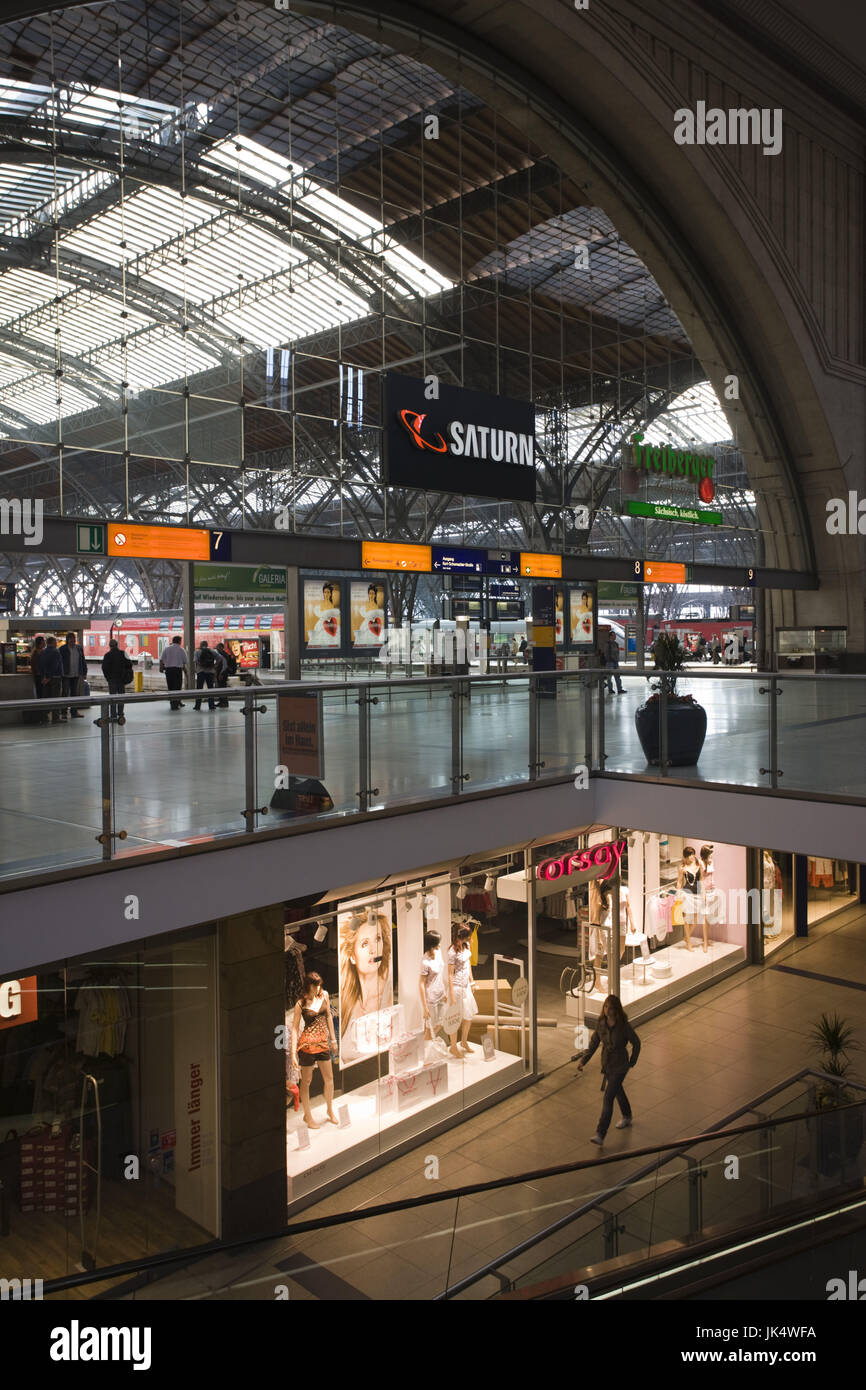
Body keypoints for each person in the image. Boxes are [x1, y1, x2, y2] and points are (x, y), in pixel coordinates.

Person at [576, 994, 641, 1145]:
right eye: (605, 1007)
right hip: (607, 1064)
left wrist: (632, 1061)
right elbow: (593, 1043)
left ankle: (600, 1133)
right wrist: (583, 1061)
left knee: (608, 1097)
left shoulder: (623, 1026)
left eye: (610, 1008)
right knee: (617, 1090)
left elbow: (636, 1043)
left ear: (616, 1009)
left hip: (620, 1065)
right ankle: (627, 1115)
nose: (607, 1010)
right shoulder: (601, 1024)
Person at [290, 972, 339, 1129]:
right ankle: (308, 1115)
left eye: (319, 985)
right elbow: (294, 1028)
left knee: (329, 1079)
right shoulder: (301, 1003)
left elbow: (329, 1016)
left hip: (323, 1043)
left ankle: (330, 1109)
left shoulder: (324, 995)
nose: (318, 988)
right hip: (307, 1046)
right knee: (306, 1081)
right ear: (309, 986)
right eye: (315, 985)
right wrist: (293, 1053)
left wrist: (333, 1039)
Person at [447, 923, 478, 1058]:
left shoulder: (467, 946)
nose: (470, 938)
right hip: (457, 987)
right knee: (455, 1018)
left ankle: (464, 1041)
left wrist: (472, 981)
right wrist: (451, 994)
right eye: (467, 936)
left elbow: (468, 965)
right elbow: (450, 974)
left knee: (468, 1015)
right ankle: (453, 1046)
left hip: (466, 986)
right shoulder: (452, 952)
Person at [419, 929, 450, 1052]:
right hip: (431, 998)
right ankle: (425, 1053)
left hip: (440, 993)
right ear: (431, 944)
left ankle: (428, 1048)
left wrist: (444, 991)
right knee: (429, 1028)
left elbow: (440, 974)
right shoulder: (425, 961)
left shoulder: (438, 952)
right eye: (437, 942)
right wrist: (425, 1007)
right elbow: (421, 984)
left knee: (440, 1023)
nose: (440, 944)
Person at [101, 638, 132, 721]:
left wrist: (108, 678)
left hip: (112, 680)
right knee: (121, 697)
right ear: (117, 645)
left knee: (113, 698)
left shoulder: (107, 655)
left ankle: (113, 715)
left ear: (110, 646)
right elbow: (129, 664)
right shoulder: (123, 653)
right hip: (121, 679)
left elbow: (104, 668)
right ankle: (121, 714)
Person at [59, 630, 87, 718]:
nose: (73, 641)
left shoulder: (79, 648)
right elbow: (59, 662)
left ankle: (74, 712)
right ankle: (64, 713)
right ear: (67, 640)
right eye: (71, 639)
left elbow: (83, 660)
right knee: (65, 693)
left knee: (74, 693)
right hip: (66, 674)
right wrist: (60, 672)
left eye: (74, 639)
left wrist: (84, 672)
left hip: (76, 674)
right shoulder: (62, 649)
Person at [36, 636, 64, 722]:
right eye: (55, 642)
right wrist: (49, 677)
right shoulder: (56, 652)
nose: (56, 643)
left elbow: (40, 665)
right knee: (55, 698)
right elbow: (55, 666)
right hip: (55, 678)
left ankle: (44, 717)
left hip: (45, 679)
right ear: (53, 642)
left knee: (46, 699)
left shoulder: (43, 652)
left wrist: (44, 677)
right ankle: (56, 718)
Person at [159, 635, 187, 710]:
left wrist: (161, 668)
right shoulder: (181, 650)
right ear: (179, 641)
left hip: (168, 671)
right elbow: (185, 661)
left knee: (170, 687)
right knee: (177, 687)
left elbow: (161, 659)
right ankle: (175, 704)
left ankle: (173, 703)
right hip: (177, 671)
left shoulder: (166, 649)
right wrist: (185, 671)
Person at [193, 640, 217, 711]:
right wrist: (214, 666)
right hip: (210, 672)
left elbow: (196, 661)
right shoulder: (212, 651)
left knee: (199, 689)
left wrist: (199, 666)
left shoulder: (197, 652)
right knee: (210, 689)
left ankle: (197, 706)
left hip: (201, 672)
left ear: (200, 645)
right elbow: (220, 659)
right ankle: (211, 706)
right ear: (207, 645)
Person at [213, 643, 229, 708]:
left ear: (221, 647)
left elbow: (225, 666)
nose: (217, 648)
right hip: (221, 673)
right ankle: (221, 701)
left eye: (218, 647)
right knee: (221, 688)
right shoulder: (222, 654)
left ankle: (224, 703)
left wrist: (221, 674)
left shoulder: (223, 655)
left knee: (222, 688)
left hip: (222, 674)